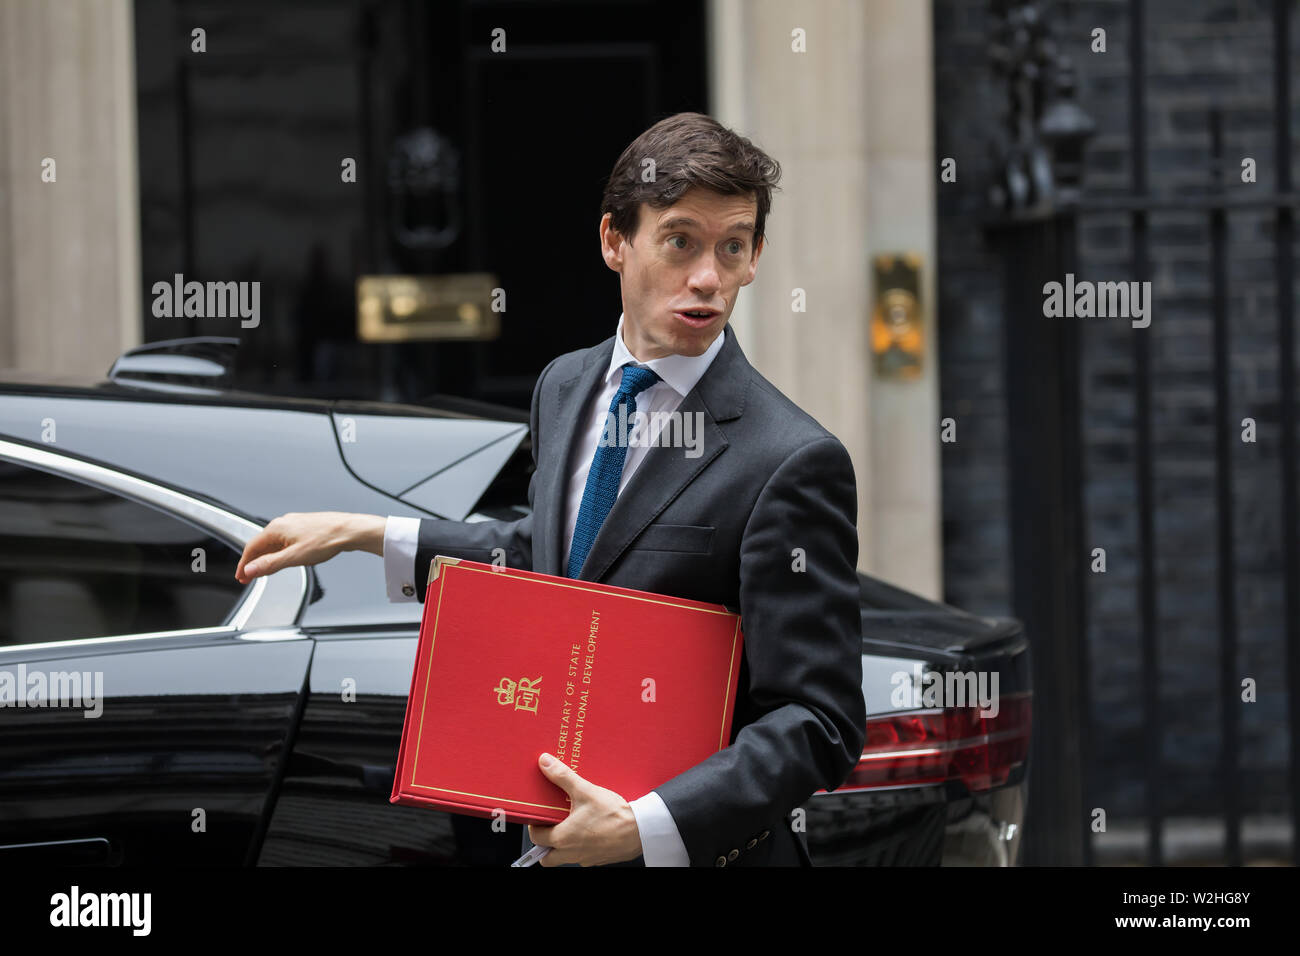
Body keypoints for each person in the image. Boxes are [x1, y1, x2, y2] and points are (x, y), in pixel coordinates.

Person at [235, 111, 866, 867]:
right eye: (681, 242)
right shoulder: (564, 385)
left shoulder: (792, 459)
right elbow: (557, 552)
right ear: (614, 242)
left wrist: (645, 826)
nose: (709, 277)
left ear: (756, 255)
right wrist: (368, 533)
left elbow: (818, 719)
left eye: (733, 246)